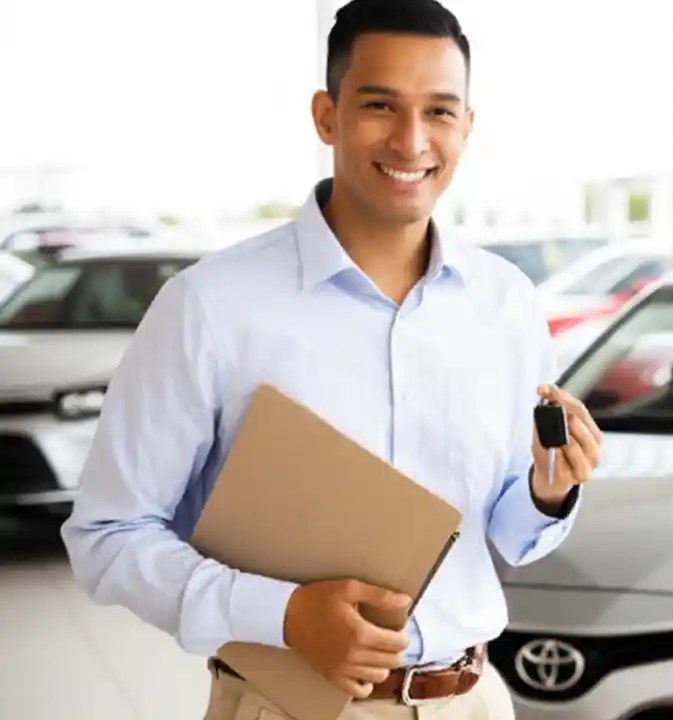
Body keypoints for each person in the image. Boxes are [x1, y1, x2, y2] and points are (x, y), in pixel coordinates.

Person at [60, 0, 602, 717]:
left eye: (439, 112)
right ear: (326, 115)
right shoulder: (210, 307)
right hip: (288, 707)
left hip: (472, 700)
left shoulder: (506, 304)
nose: (412, 140)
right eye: (381, 105)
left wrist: (545, 492)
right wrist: (283, 615)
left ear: (467, 126)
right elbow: (106, 537)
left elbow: (505, 535)